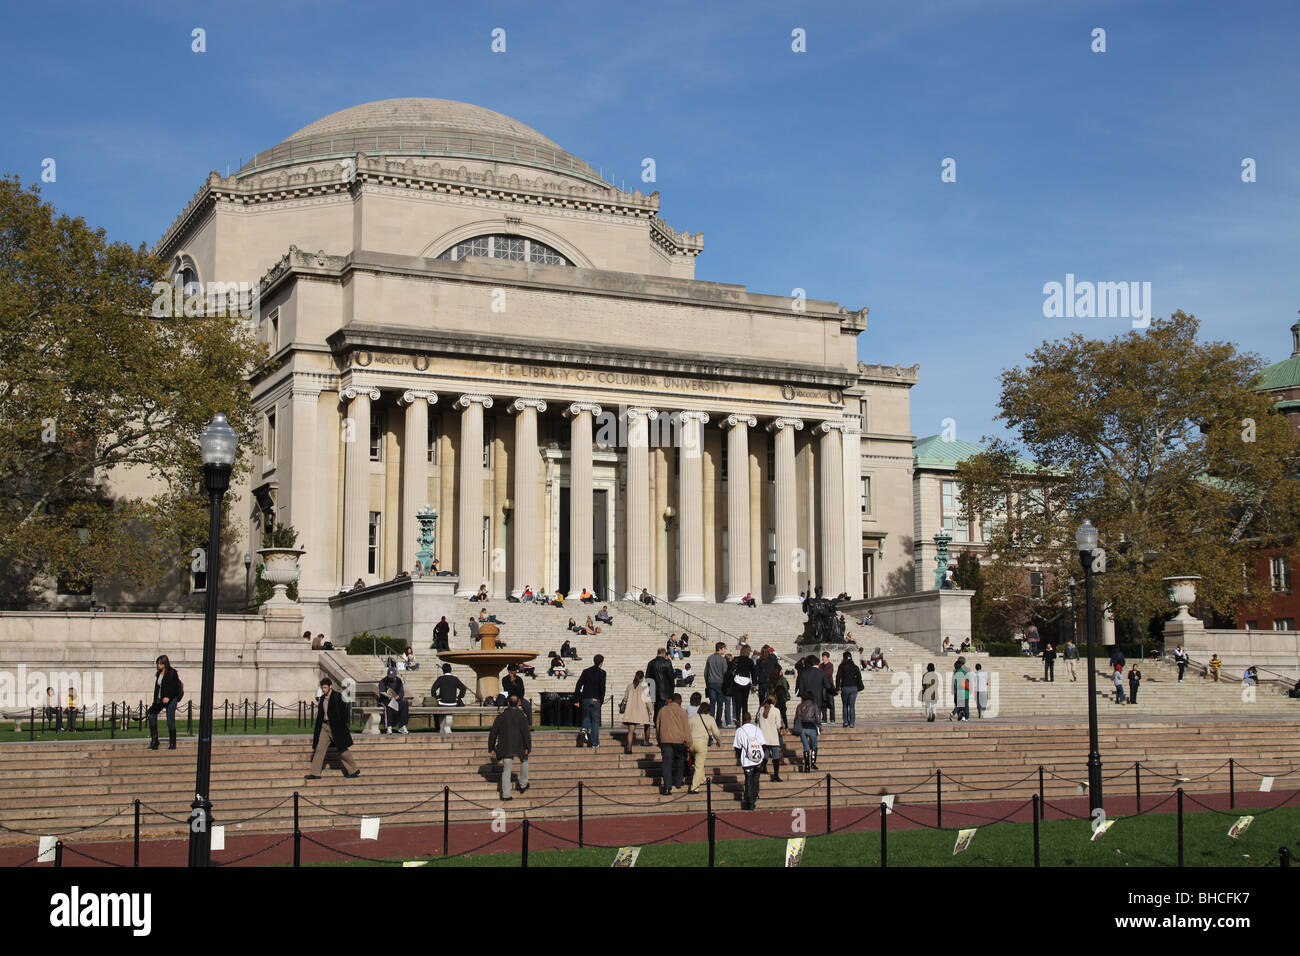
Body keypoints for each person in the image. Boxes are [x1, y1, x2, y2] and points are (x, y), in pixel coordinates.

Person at [306, 678, 360, 779]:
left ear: (330, 686)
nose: (323, 690)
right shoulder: (322, 698)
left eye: (325, 687)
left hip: (336, 727)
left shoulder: (337, 696)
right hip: (324, 726)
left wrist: (344, 725)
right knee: (319, 748)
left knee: (342, 750)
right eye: (322, 688)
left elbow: (344, 712)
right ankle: (315, 773)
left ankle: (353, 769)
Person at [488, 696, 531, 800]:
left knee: (506, 769)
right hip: (519, 745)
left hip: (505, 745)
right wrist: (528, 747)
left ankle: (506, 794)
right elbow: (526, 733)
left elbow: (493, 732)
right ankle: (523, 783)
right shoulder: (522, 716)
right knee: (524, 761)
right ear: (518, 703)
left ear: (507, 703)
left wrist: (491, 747)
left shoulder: (501, 716)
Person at [655, 693, 690, 795]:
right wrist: (689, 742)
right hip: (679, 740)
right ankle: (678, 782)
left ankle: (667, 787)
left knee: (667, 763)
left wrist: (659, 740)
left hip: (665, 740)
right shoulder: (682, 711)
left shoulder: (662, 710)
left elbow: (658, 727)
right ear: (679, 701)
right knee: (679, 760)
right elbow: (686, 729)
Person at [147, 654, 183, 751]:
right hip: (160, 699)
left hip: (171, 699)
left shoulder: (172, 673)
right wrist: (155, 701)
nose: (158, 666)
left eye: (160, 664)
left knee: (170, 721)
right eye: (157, 664)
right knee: (151, 715)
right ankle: (155, 740)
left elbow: (175, 688)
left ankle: (172, 742)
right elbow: (157, 688)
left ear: (165, 664)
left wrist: (168, 697)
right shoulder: (159, 674)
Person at [734, 709, 767, 808]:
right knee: (756, 779)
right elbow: (763, 744)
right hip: (757, 758)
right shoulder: (757, 729)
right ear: (750, 719)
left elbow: (737, 747)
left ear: (742, 719)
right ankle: (753, 797)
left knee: (748, 779)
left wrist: (740, 756)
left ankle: (748, 800)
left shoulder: (740, 730)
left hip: (746, 758)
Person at [688, 701, 721, 793]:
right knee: (699, 765)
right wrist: (718, 741)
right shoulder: (710, 719)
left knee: (698, 762)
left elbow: (686, 730)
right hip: (701, 743)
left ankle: (702, 779)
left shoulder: (692, 718)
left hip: (691, 743)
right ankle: (694, 787)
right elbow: (716, 733)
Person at [574, 654, 607, 748]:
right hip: (596, 698)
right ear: (601, 663)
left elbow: (578, 685)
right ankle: (595, 743)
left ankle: (584, 730)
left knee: (587, 716)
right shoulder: (602, 673)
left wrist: (577, 699)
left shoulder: (586, 671)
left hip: (585, 698)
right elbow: (602, 688)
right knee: (595, 722)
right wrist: (601, 699)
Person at [431, 663, 468, 732]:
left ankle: (437, 726)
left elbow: (433, 690)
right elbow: (463, 688)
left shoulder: (440, 678)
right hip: (453, 703)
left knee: (435, 711)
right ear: (451, 670)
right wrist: (459, 697)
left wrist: (436, 697)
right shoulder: (455, 679)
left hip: (442, 703)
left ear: (443, 670)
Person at [756, 695, 785, 781]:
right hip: (773, 738)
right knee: (775, 757)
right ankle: (776, 775)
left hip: (763, 738)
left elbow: (758, 723)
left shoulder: (761, 710)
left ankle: (760, 769)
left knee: (765, 756)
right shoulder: (776, 710)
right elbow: (778, 725)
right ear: (774, 701)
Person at [793, 688, 821, 773]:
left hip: (802, 727)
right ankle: (812, 763)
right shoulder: (814, 705)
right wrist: (819, 726)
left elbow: (796, 717)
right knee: (814, 745)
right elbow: (818, 717)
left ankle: (807, 766)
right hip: (811, 726)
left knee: (806, 746)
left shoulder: (800, 705)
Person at [377, 666, 410, 735]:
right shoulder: (383, 681)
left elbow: (401, 692)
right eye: (390, 677)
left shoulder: (398, 680)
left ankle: (402, 726)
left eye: (393, 677)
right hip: (385, 699)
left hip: (396, 698)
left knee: (404, 703)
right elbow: (381, 692)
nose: (391, 678)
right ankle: (389, 726)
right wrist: (387, 696)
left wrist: (398, 696)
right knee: (388, 706)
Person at [836, 650, 864, 728]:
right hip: (853, 688)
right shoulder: (855, 667)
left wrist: (838, 688)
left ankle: (845, 721)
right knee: (852, 706)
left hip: (845, 687)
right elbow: (859, 678)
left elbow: (838, 677)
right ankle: (852, 723)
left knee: (845, 705)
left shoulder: (841, 666)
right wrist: (859, 687)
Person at [647, 647, 676, 718]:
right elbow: (671, 677)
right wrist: (672, 690)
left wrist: (650, 689)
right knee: (662, 707)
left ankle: (656, 721)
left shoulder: (651, 663)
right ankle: (660, 721)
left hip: (654, 689)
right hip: (665, 690)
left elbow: (647, 678)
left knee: (656, 706)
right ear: (664, 653)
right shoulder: (667, 663)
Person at [731, 644, 757, 724]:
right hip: (746, 682)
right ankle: (745, 720)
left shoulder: (736, 659)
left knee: (738, 702)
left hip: (737, 681)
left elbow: (731, 670)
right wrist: (755, 683)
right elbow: (753, 673)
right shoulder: (750, 661)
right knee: (744, 703)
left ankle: (738, 720)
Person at [769, 664, 791, 728]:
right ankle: (785, 726)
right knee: (783, 714)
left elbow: (768, 691)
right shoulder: (782, 679)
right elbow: (786, 689)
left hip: (774, 699)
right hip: (781, 699)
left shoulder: (770, 679)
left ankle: (778, 726)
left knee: (776, 714)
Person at [819, 652, 837, 724]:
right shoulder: (820, 665)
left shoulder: (830, 665)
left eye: (824, 657)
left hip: (829, 686)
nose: (823, 658)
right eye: (823, 657)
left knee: (831, 702)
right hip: (822, 685)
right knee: (823, 702)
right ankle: (824, 718)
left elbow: (829, 673)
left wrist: (822, 674)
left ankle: (832, 719)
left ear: (827, 657)